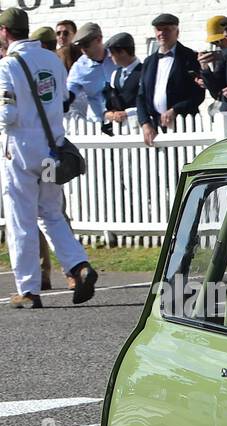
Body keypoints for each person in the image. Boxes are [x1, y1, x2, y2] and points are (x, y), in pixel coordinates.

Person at [0, 8, 97, 309]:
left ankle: (28, 289)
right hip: (50, 147)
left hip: (20, 147)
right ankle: (79, 265)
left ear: (4, 31)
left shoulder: (7, 65)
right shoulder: (52, 60)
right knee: (51, 213)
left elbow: (7, 113)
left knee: (21, 218)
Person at [137, 14, 204, 147]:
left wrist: (175, 110)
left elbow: (198, 95)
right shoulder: (149, 62)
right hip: (156, 128)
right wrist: (145, 123)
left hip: (184, 124)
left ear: (177, 32)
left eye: (167, 29)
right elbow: (141, 96)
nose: (162, 33)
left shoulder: (190, 57)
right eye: (158, 30)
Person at [67, 23, 111, 126]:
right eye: (80, 46)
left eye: (86, 45)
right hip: (96, 124)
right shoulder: (79, 67)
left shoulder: (117, 57)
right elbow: (69, 94)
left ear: (99, 39)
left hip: (123, 121)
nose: (83, 49)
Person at [102, 34, 143, 132]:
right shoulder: (115, 74)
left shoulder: (144, 71)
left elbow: (148, 102)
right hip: (120, 129)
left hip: (139, 127)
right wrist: (109, 112)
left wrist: (128, 113)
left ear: (122, 52)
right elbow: (110, 102)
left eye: (112, 53)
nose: (110, 57)